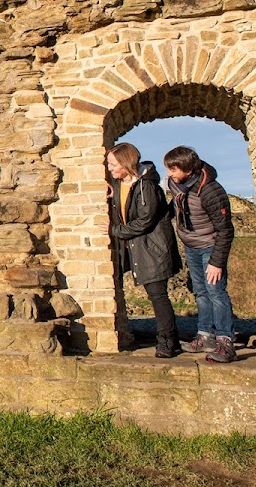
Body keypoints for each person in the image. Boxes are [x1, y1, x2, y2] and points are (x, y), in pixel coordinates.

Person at [104, 143, 184, 358]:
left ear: (126, 163)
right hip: (133, 245)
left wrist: (114, 230)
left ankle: (169, 340)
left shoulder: (147, 187)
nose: (110, 168)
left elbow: (145, 221)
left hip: (152, 246)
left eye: (113, 164)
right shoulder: (121, 183)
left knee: (157, 295)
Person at [163, 146, 237, 364]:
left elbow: (225, 230)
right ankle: (205, 335)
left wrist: (216, 262)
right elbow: (174, 207)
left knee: (216, 292)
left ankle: (226, 342)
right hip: (191, 246)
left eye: (173, 169)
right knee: (200, 291)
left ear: (187, 169)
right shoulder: (174, 184)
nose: (169, 174)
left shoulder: (211, 191)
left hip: (210, 246)